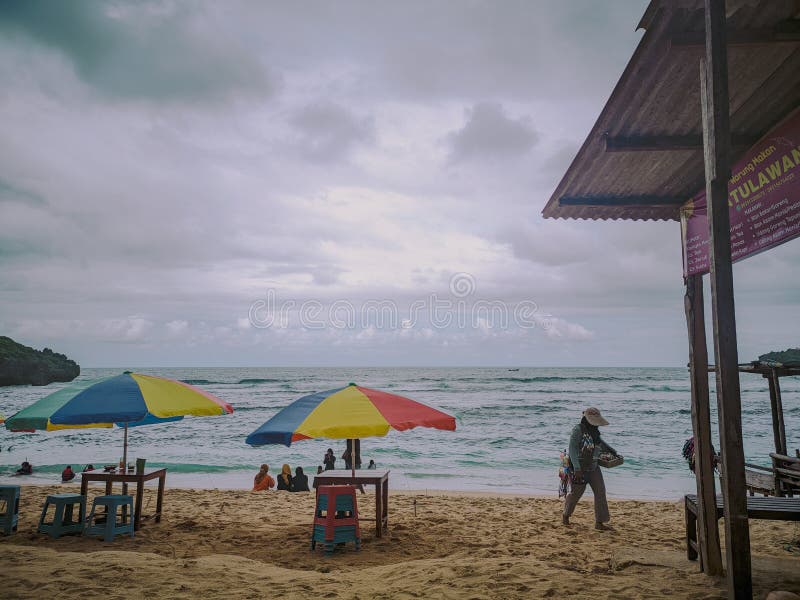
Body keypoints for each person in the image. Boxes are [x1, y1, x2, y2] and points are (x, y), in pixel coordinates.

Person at [562, 407, 617, 530]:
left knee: (600, 492)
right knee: (576, 494)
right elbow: (572, 449)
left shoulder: (595, 432)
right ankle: (566, 515)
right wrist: (576, 468)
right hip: (579, 469)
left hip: (593, 468)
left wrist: (612, 450)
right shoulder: (578, 430)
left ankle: (600, 523)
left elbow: (600, 443)